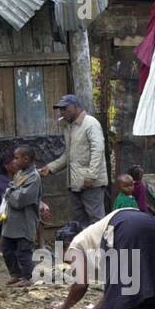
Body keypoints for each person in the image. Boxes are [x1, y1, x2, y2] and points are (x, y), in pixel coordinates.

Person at [40, 94, 107, 226]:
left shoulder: (90, 123)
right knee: (78, 221)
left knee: (96, 220)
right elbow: (69, 155)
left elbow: (98, 150)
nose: (62, 112)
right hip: (76, 183)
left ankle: (100, 246)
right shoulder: (70, 126)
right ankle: (83, 246)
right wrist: (51, 168)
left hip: (90, 183)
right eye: (60, 109)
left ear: (76, 107)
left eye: (65, 108)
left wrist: (91, 175)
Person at [0, 146, 42, 286]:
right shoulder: (20, 174)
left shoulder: (34, 177)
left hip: (24, 220)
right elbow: (11, 187)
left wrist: (10, 193)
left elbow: (21, 199)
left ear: (26, 159)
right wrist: (11, 191)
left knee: (23, 250)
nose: (15, 161)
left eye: (17, 158)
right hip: (11, 220)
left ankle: (27, 277)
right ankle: (15, 274)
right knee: (6, 248)